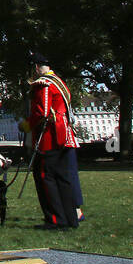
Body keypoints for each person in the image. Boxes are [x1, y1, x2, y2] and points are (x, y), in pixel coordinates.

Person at [27, 51, 81, 229]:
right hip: (64, 135)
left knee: (46, 177)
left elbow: (41, 112)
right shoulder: (59, 81)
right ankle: (71, 218)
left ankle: (56, 219)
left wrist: (27, 125)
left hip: (50, 136)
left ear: (36, 67)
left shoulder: (44, 84)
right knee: (63, 179)